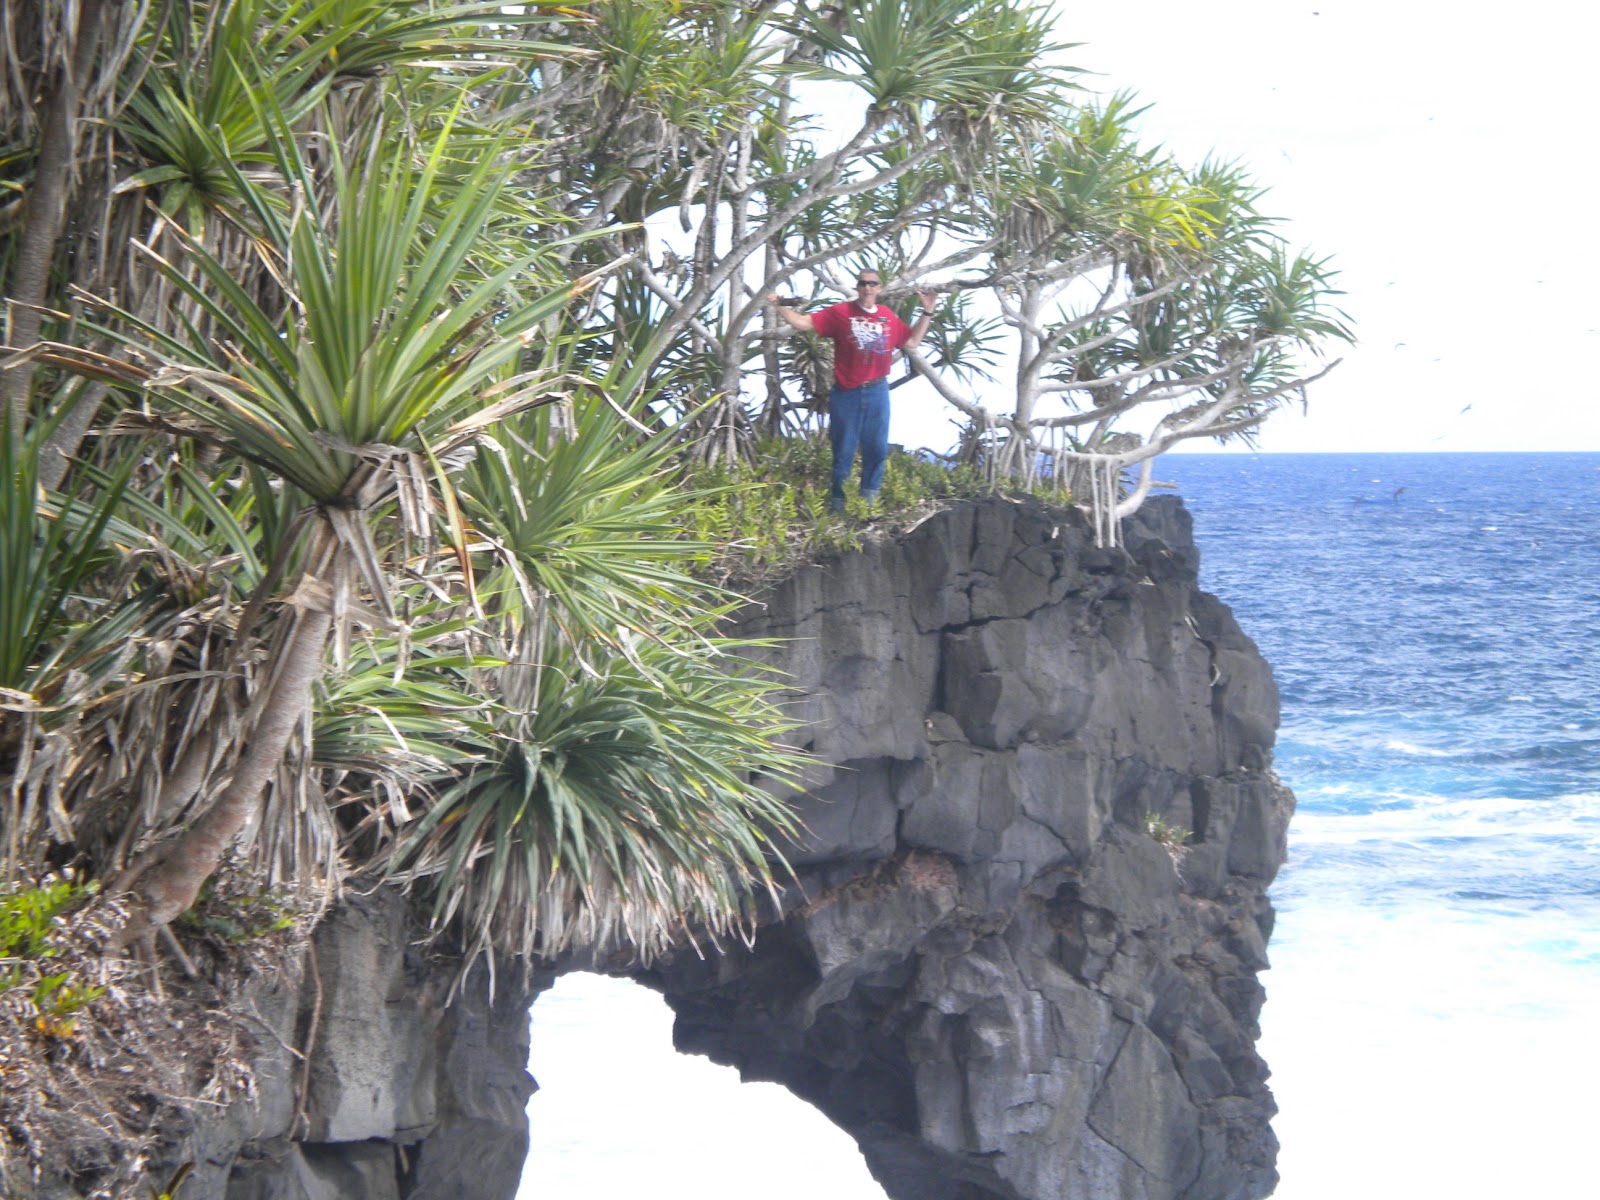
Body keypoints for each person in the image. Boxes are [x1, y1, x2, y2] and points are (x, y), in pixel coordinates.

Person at [768, 272, 937, 511]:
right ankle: (839, 507)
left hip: (878, 390)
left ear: (879, 288)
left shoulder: (887, 316)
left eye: (872, 284)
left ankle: (868, 506)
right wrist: (778, 305)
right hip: (846, 392)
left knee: (876, 449)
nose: (867, 288)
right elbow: (803, 323)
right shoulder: (841, 313)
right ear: (857, 287)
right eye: (863, 283)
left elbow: (911, 342)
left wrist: (927, 312)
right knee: (843, 450)